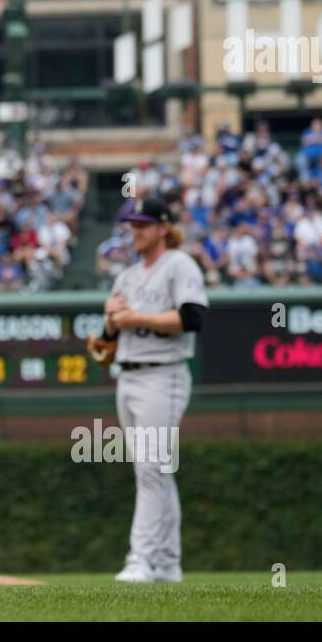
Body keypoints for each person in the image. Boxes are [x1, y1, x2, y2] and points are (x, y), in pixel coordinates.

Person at [99, 194, 208, 584]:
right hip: (127, 373)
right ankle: (166, 563)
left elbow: (193, 317)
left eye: (143, 224)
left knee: (150, 469)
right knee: (156, 472)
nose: (136, 231)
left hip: (165, 373)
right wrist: (111, 321)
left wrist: (133, 316)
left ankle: (140, 560)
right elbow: (105, 340)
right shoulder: (126, 276)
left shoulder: (179, 264)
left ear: (164, 227)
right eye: (132, 224)